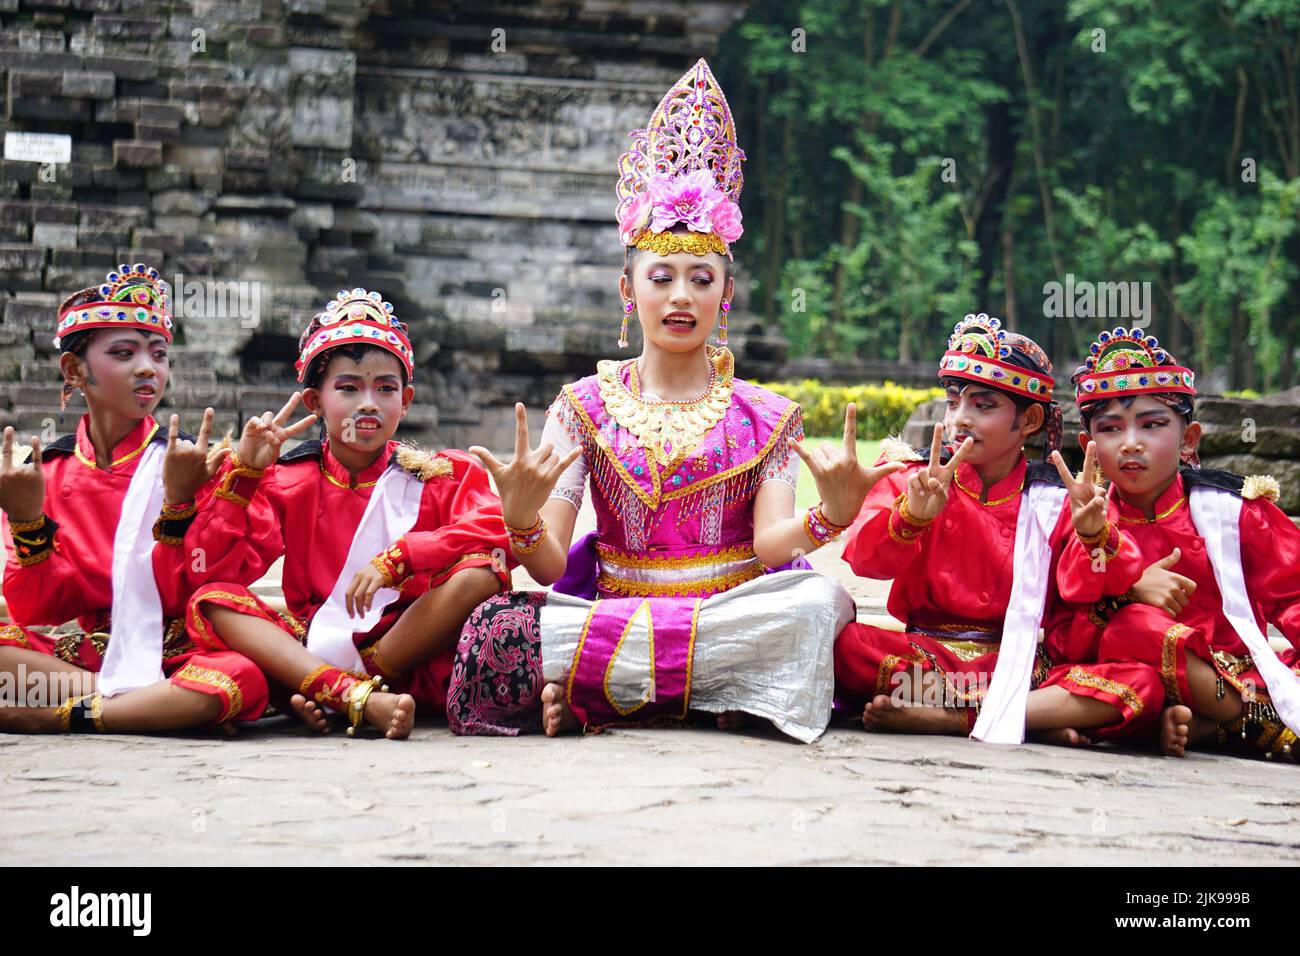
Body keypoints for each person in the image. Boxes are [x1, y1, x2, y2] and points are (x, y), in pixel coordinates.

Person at [445, 59, 881, 742]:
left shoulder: (768, 417)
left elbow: (771, 550)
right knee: (497, 630)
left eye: (701, 279)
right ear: (630, 292)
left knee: (818, 604)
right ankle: (713, 696)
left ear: (724, 296)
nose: (681, 296)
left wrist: (831, 517)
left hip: (733, 613)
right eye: (662, 277)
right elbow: (553, 567)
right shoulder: (580, 408)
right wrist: (524, 522)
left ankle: (607, 690)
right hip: (616, 611)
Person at [178, 289, 509, 739]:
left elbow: (498, 529)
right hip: (316, 642)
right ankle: (351, 695)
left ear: (406, 400)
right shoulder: (288, 479)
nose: (368, 403)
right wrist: (246, 476)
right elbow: (213, 569)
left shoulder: (434, 474)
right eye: (349, 388)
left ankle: (338, 688)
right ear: (315, 402)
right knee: (213, 602)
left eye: (385, 388)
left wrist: (404, 555)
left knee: (482, 572)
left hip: (405, 645)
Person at [834, 313, 1165, 745]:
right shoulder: (913, 475)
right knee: (847, 645)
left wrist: (1093, 536)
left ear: (1028, 421)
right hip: (924, 656)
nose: (959, 420)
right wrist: (911, 517)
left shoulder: (1057, 499)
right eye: (954, 402)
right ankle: (1034, 720)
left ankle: (955, 718)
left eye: (983, 405)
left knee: (1142, 683)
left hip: (1022, 662)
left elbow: (1089, 589)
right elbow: (863, 561)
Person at [0, 264, 272, 734]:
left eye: (159, 354)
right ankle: (149, 707)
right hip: (93, 654)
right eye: (124, 354)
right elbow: (42, 610)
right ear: (74, 369)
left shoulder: (196, 463)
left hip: (182, 650)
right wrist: (25, 519)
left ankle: (57, 716)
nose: (148, 368)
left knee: (240, 675)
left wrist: (182, 503)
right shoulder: (46, 473)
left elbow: (213, 588)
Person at [1067, 326, 1300, 758]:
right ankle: (1250, 726)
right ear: (1090, 446)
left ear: (1189, 438)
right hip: (1133, 679)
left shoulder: (1233, 512)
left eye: (1152, 425)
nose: (1131, 443)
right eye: (1111, 429)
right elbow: (1064, 633)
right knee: (1132, 631)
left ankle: (1215, 726)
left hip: (1232, 677)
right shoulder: (1082, 520)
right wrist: (1128, 594)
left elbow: (1294, 596)